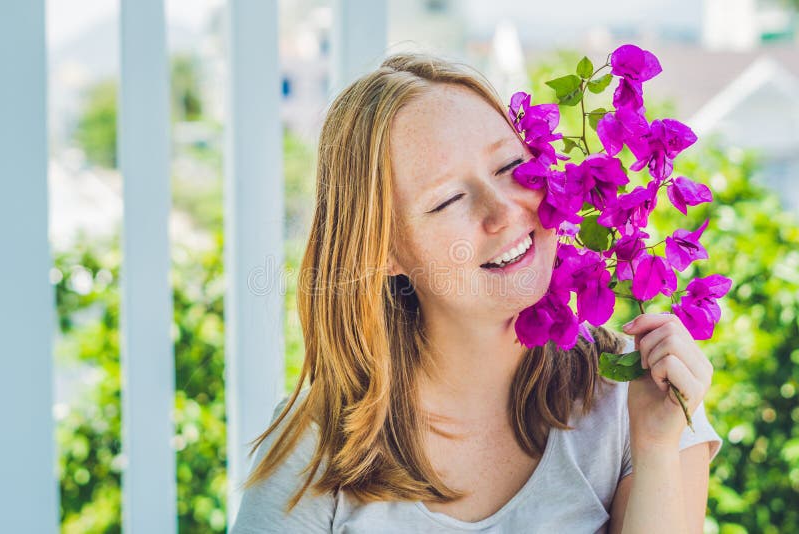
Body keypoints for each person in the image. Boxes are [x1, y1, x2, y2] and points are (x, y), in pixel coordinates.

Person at [230, 52, 723, 533]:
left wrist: (656, 446)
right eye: (448, 199)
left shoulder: (638, 396)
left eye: (509, 166)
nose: (502, 210)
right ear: (381, 250)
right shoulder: (317, 446)